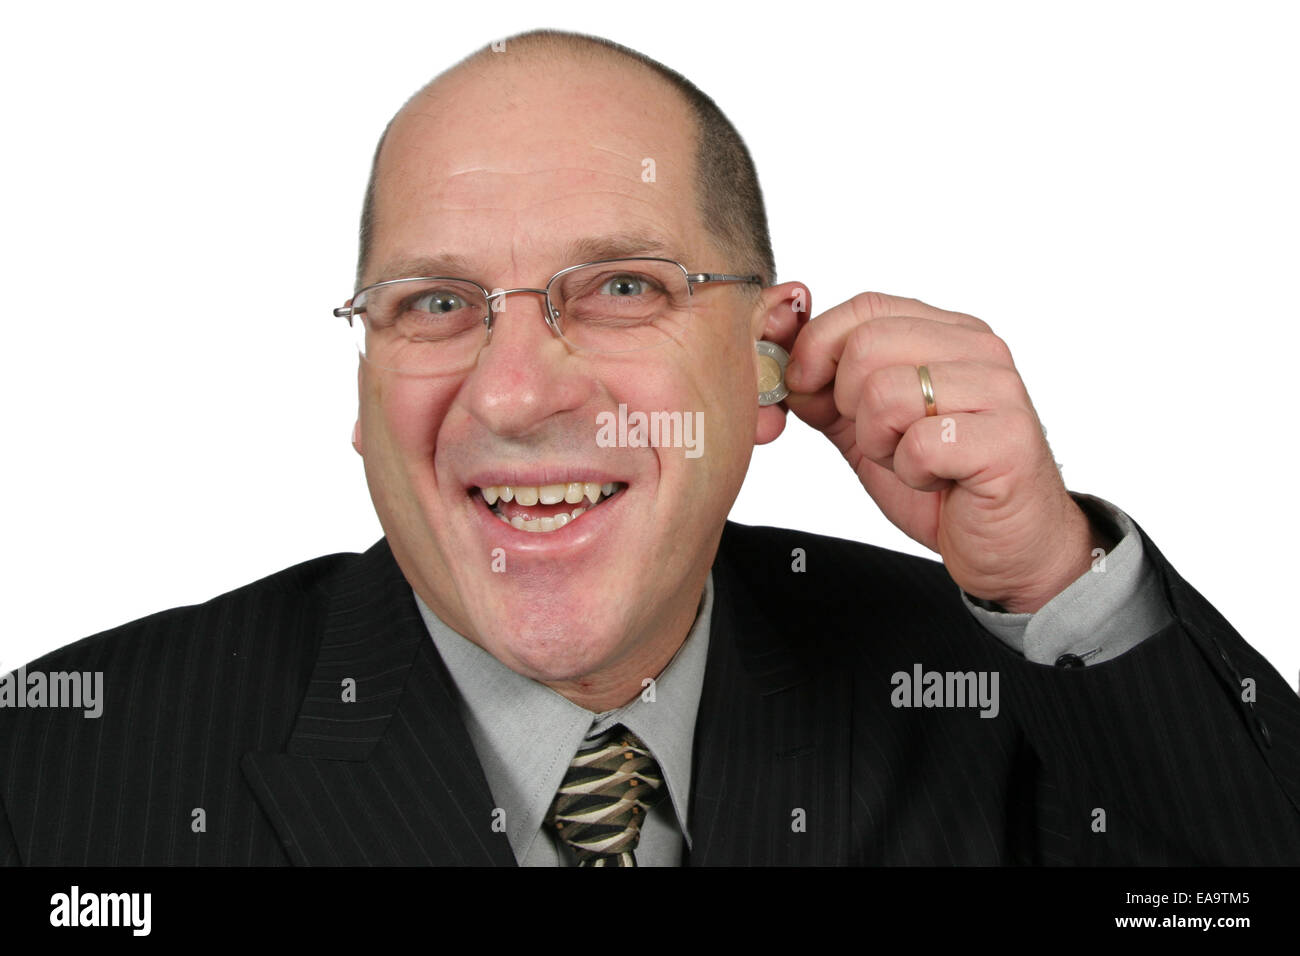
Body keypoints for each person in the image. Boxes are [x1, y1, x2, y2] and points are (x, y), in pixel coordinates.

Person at [2, 27, 1298, 867]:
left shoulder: (1005, 693)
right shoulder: (56, 774)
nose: (513, 394)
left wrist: (1052, 580)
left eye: (620, 287)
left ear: (765, 362)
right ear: (362, 388)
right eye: (436, 305)